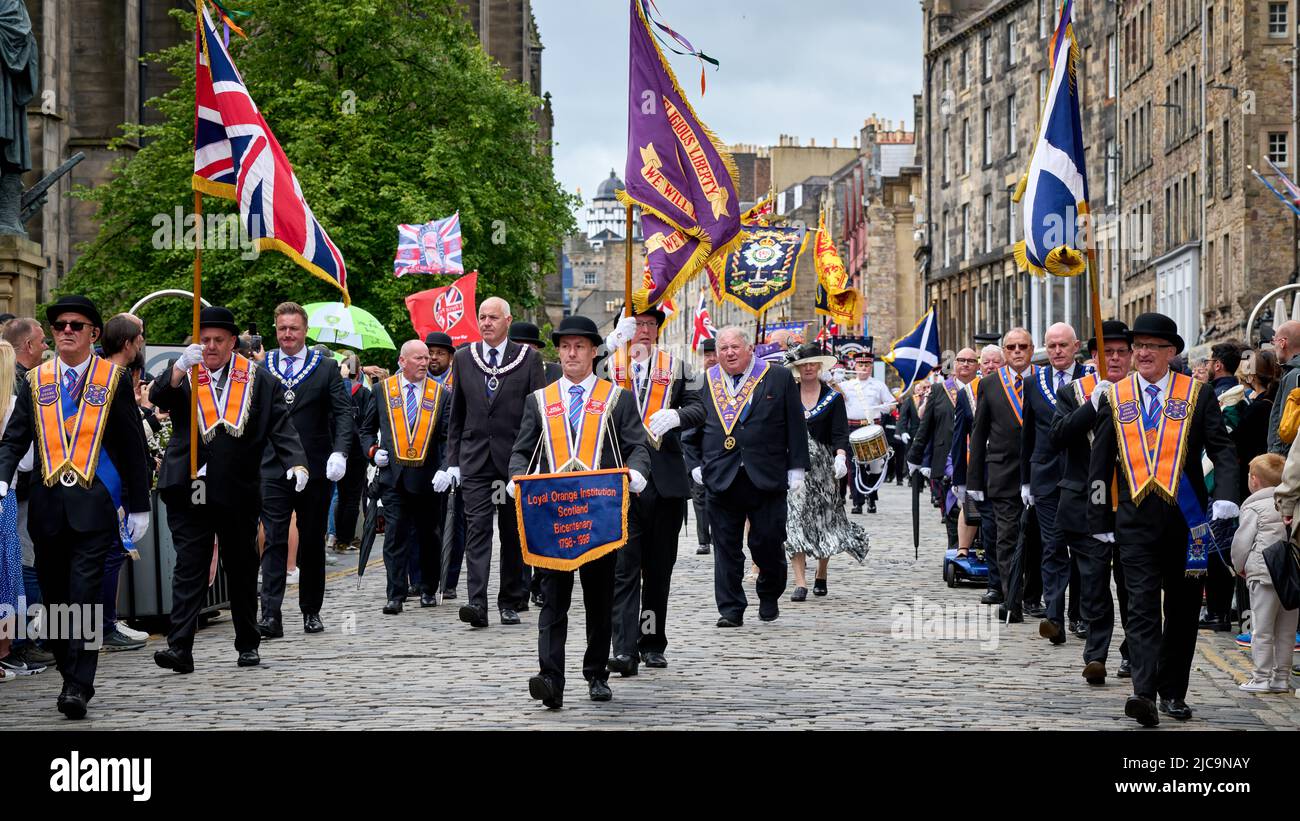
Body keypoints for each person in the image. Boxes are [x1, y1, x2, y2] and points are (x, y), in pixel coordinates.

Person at [0, 295, 150, 719]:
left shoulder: (113, 378)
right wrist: (1, 478)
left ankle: (76, 685)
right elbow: (15, 439)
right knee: (58, 598)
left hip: (94, 505)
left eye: (76, 325)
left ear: (93, 334)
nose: (66, 330)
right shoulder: (36, 381)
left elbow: (129, 445)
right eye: (60, 324)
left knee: (83, 595)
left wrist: (138, 505)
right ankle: (70, 669)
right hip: (48, 509)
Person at [1088, 312, 1239, 727]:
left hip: (1187, 523)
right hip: (1134, 523)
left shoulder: (1197, 394)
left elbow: (1223, 450)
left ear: (1171, 353)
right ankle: (1143, 692)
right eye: (1138, 346)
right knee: (1139, 608)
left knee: (1184, 610)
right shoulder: (1114, 396)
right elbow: (1100, 464)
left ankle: (1173, 691)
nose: (1142, 353)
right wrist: (1099, 516)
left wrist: (1226, 498)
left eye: (1152, 347)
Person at [150, 307, 307, 673]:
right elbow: (158, 397)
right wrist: (176, 370)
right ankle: (180, 648)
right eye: (204, 339)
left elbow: (279, 425)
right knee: (189, 565)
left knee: (240, 565)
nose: (210, 347)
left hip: (236, 488)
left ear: (232, 342)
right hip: (191, 486)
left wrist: (295, 461)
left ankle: (248, 643)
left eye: (218, 340)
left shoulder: (257, 379)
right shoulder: (186, 371)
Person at [508, 314, 650, 707]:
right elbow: (522, 450)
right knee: (552, 600)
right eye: (566, 347)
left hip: (599, 515)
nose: (571, 353)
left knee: (598, 599)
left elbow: (637, 445)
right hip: (552, 518)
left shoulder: (616, 398)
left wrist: (636, 474)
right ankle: (550, 677)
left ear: (593, 352)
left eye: (580, 347)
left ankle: (596, 673)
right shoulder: (539, 401)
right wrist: (515, 477)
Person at [682, 326, 809, 626]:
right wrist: (695, 464)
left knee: (767, 543)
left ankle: (769, 593)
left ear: (749, 348)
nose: (728, 353)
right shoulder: (705, 382)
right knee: (725, 548)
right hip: (721, 476)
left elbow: (795, 423)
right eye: (723, 348)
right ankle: (730, 609)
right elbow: (692, 429)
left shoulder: (777, 377)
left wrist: (797, 467)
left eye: (734, 347)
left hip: (766, 476)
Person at [603, 308, 704, 675]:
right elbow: (575, 379)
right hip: (621, 480)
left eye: (650, 325)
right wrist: (609, 344)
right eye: (636, 325)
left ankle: (651, 641)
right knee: (624, 568)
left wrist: (678, 416)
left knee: (658, 570)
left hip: (664, 482)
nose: (644, 330)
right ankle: (623, 648)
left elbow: (700, 407)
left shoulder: (677, 367)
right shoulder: (608, 366)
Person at [445, 297, 546, 628]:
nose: (486, 323)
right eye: (482, 317)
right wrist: (452, 461)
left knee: (512, 532)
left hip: (514, 461)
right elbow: (456, 415)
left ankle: (510, 600)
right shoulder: (463, 358)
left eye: (492, 318)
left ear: (508, 320)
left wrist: (535, 461)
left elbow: (538, 414)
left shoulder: (528, 359)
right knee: (477, 531)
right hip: (475, 460)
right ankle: (477, 602)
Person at [257, 302, 353, 638]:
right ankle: (269, 613)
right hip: (273, 464)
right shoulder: (262, 365)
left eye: (293, 328)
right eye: (282, 328)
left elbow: (343, 413)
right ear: (275, 329)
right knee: (274, 537)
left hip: (315, 465)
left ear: (305, 330)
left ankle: (311, 610)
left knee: (311, 541)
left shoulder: (325, 367)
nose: (287, 335)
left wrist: (340, 453)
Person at [1048, 320, 1132, 684]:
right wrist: (1092, 404)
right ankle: (1095, 655)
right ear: (1093, 356)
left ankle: (1132, 654)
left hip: (1131, 503)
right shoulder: (1075, 390)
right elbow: (1058, 436)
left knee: (1133, 587)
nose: (1113, 359)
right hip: (1085, 501)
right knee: (1094, 585)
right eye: (1106, 352)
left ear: (1131, 355)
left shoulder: (1143, 391)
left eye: (1120, 352)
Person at [360, 340, 451, 613]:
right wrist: (373, 452)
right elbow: (365, 431)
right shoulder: (381, 391)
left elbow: (447, 438)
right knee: (395, 537)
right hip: (393, 478)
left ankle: (427, 588)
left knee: (428, 537)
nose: (425, 363)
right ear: (402, 361)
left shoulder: (441, 394)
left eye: (426, 358)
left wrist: (447, 468)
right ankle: (395, 594)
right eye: (418, 358)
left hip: (428, 477)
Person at [1020, 322, 1090, 645]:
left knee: (1081, 549)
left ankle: (1080, 615)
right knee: (1052, 547)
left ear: (1076, 346)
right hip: (1045, 476)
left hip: (1081, 476)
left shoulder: (1091, 381)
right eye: (1051, 346)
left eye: (1063, 345)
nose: (1057, 351)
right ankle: (1054, 616)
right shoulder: (1033, 383)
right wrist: (1025, 480)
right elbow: (1028, 435)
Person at [783, 343, 866, 601]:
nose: (808, 368)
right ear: (797, 368)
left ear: (819, 366)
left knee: (824, 521)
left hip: (823, 470)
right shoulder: (788, 394)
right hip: (794, 467)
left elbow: (841, 433)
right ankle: (800, 582)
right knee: (794, 520)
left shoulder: (833, 397)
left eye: (812, 363)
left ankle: (821, 572)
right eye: (803, 364)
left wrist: (841, 458)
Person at [966, 327, 1035, 622]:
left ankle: (1032, 596)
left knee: (1038, 540)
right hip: (1002, 472)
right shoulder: (991, 384)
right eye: (1011, 347)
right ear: (1004, 352)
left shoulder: (1042, 380)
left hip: (1039, 472)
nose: (1017, 351)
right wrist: (974, 481)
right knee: (1006, 537)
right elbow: (979, 432)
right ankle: (1012, 598)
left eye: (1022, 346)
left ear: (1031, 349)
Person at [96, 313, 149, 652]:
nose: (143, 343)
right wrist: (140, 500)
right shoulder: (114, 378)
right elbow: (130, 442)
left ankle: (105, 623)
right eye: (140, 336)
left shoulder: (98, 374)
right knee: (111, 555)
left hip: (100, 480)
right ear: (128, 343)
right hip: (112, 482)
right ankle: (104, 626)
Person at [1234, 453, 1295, 693]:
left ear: (1254, 481)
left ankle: (1260, 677)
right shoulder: (1292, 504)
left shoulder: (1253, 507)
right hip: (1291, 577)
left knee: (1261, 629)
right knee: (1286, 631)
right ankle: (1281, 678)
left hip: (1263, 573)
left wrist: (1239, 566)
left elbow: (1241, 544)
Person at [909, 347, 977, 551]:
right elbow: (926, 426)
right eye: (961, 360)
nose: (965, 364)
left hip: (973, 457)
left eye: (970, 361)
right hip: (945, 460)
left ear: (977, 365)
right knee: (951, 509)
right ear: (954, 364)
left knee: (975, 509)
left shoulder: (983, 388)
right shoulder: (939, 390)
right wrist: (915, 456)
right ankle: (955, 551)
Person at [951, 345, 1005, 596]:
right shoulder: (967, 394)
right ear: (980, 366)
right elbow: (959, 437)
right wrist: (960, 480)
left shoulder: (1021, 388)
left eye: (996, 361)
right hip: (983, 471)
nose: (991, 366)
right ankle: (996, 585)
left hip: (1014, 469)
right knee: (992, 529)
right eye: (987, 362)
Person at [0, 339, 37, 679]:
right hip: (5, 496)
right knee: (8, 574)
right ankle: (6, 649)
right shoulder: (12, 405)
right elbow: (25, 462)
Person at [840, 348, 894, 513]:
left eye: (867, 365)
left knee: (874, 465)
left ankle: (871, 497)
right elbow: (833, 398)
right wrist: (832, 381)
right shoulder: (846, 385)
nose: (863, 368)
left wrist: (884, 407)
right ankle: (858, 502)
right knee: (854, 466)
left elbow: (891, 405)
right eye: (860, 365)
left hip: (871, 428)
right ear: (854, 366)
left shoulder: (878, 385)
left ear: (871, 367)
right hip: (852, 427)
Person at [331, 353, 371, 553]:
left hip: (339, 448)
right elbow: (368, 422)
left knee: (340, 495)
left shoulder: (337, 391)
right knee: (352, 497)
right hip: (357, 450)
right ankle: (345, 538)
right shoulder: (363, 393)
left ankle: (337, 536)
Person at [685, 337, 718, 555]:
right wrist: (693, 462)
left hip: (721, 450)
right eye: (707, 355)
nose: (712, 359)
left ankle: (717, 536)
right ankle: (703, 539)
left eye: (714, 354)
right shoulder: (695, 382)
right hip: (700, 447)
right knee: (700, 497)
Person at [1267, 320, 1300, 455]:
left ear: (1282, 342)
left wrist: (1275, 457)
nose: (1273, 348)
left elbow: (1288, 424)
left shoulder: (1295, 375)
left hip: (1286, 460)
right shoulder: (1292, 372)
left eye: (1274, 342)